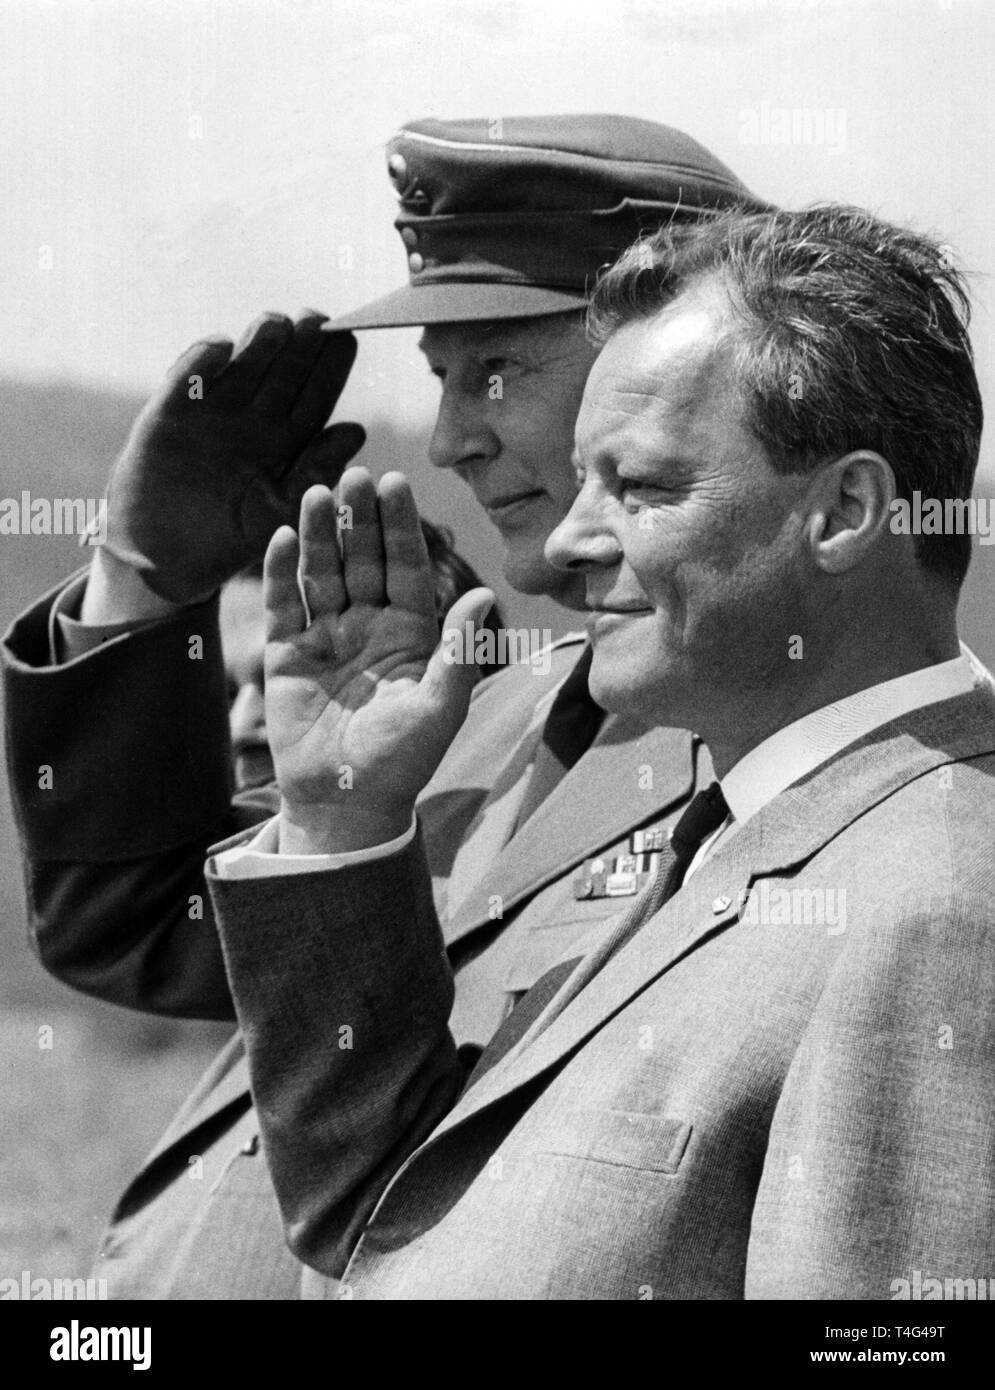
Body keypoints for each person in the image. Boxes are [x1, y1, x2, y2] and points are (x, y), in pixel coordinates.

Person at [2, 115, 767, 1298]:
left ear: (681, 371)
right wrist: (142, 576)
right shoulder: (484, 711)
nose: (454, 438)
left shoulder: (781, 758)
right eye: (440, 380)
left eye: (499, 369)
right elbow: (141, 924)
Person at [207, 204, 995, 1300]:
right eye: (581, 482)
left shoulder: (939, 911)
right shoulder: (723, 824)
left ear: (845, 510)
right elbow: (377, 1225)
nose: (572, 541)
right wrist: (344, 817)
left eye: (639, 487)